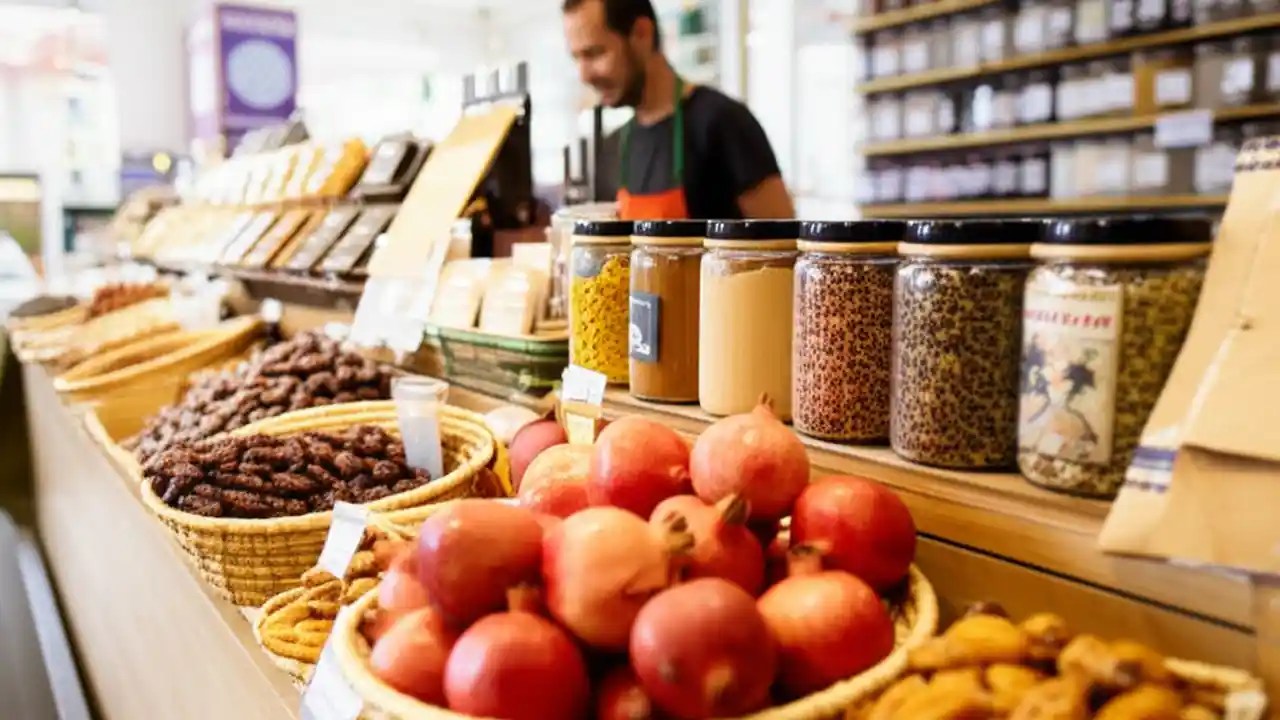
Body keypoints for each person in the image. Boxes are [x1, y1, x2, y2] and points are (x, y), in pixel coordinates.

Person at [562, 0, 795, 221]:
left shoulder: (724, 122)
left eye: (595, 53)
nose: (584, 75)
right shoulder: (616, 144)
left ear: (642, 33)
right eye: (576, 58)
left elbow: (784, 246)